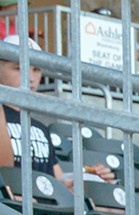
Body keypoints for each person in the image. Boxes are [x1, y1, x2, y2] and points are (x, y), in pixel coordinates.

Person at [0, 31, 113, 191]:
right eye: (19, 68)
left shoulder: (40, 128)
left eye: (37, 70)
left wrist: (91, 177)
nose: (30, 78)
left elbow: (58, 180)